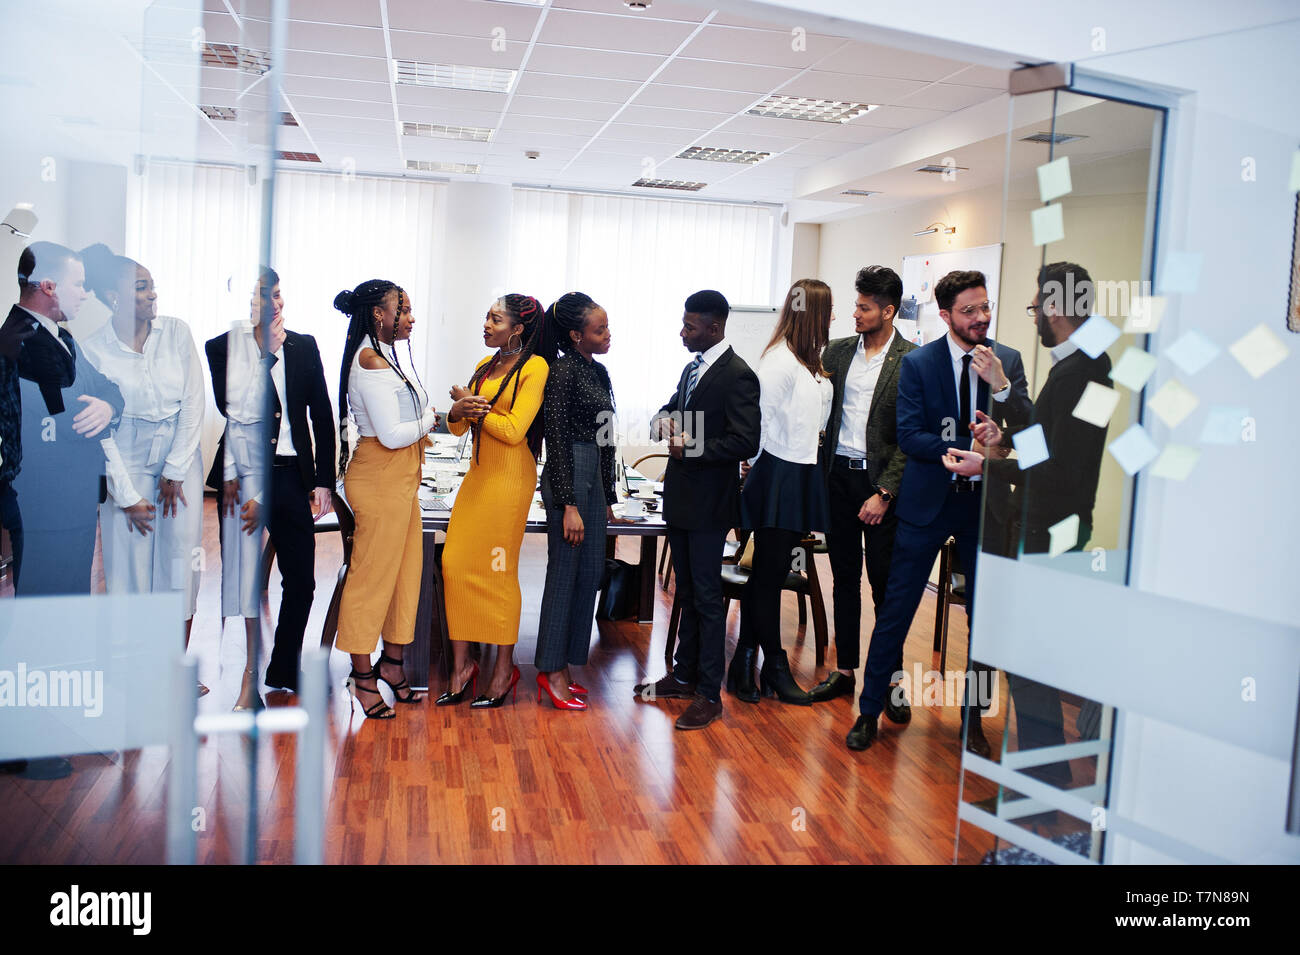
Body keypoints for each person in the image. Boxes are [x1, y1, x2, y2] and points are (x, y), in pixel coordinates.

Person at [845, 269, 1031, 755]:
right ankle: (868, 712)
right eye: (968, 310)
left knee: (983, 620)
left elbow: (1031, 432)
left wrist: (1004, 389)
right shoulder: (920, 363)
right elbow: (908, 435)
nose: (980, 318)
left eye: (985, 307)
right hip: (926, 504)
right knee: (897, 612)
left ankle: (974, 724)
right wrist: (965, 450)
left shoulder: (1006, 360)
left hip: (985, 510)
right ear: (945, 315)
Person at [944, 261, 1111, 783]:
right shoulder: (1085, 364)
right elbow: (1050, 440)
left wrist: (991, 461)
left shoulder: (1084, 370)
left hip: (1048, 532)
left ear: (1057, 308)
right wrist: (1006, 427)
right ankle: (1046, 773)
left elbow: (1059, 468)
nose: (1035, 316)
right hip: (1056, 526)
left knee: (1028, 656)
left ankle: (1045, 778)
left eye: (1037, 306)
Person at [206, 269, 336, 709]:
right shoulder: (221, 348)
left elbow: (321, 413)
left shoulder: (305, 346)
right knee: (242, 579)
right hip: (242, 476)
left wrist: (323, 480)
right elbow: (233, 406)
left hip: (290, 475)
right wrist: (264, 355)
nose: (274, 304)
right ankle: (244, 680)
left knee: (301, 581)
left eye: (278, 294)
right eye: (263, 296)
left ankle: (283, 666)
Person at [633, 290, 760, 731]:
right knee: (684, 591)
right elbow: (671, 409)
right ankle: (683, 675)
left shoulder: (738, 375)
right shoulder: (693, 368)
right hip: (681, 498)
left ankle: (709, 694)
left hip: (709, 504)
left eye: (690, 326)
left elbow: (746, 442)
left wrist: (693, 448)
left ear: (714, 327)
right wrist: (661, 420)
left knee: (707, 597)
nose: (682, 332)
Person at [80, 245, 205, 663]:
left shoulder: (176, 332)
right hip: (125, 458)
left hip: (180, 453)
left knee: (179, 568)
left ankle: (173, 669)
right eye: (141, 288)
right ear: (113, 297)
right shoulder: (93, 350)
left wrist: (174, 470)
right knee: (129, 571)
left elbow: (193, 402)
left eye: (152, 286)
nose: (153, 295)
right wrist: (127, 494)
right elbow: (100, 433)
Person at [810, 265, 917, 710]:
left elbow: (912, 436)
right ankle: (845, 671)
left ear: (888, 311)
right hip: (838, 479)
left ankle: (891, 683)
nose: (855, 313)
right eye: (856, 304)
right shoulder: (835, 354)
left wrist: (886, 493)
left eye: (865, 307)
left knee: (885, 588)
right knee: (844, 581)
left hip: (881, 489)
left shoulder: (911, 360)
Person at [725, 279, 833, 706]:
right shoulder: (780, 362)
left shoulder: (811, 362)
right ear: (813, 314)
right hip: (777, 474)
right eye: (829, 312)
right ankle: (775, 663)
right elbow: (759, 421)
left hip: (803, 472)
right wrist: (747, 469)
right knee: (768, 578)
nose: (834, 319)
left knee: (767, 577)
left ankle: (745, 660)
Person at [439, 294, 548, 709]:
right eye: (486, 316)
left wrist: (475, 407)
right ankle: (463, 666)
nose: (486, 324)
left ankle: (503, 670)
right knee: (455, 564)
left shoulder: (534, 368)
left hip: (510, 481)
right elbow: (458, 429)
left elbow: (516, 429)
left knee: (498, 570)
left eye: (495, 319)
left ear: (518, 328)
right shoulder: (485, 368)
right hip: (479, 478)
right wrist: (458, 408)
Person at [334, 280, 437, 719]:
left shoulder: (388, 355)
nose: (412, 318)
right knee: (371, 580)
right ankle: (361, 677)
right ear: (379, 313)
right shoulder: (370, 359)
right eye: (405, 309)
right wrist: (436, 418)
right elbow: (394, 434)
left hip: (402, 479)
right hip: (379, 476)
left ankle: (392, 665)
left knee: (406, 575)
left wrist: (425, 418)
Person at [11, 243, 124, 598]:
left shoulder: (61, 337)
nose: (86, 294)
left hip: (71, 502)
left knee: (69, 601)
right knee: (46, 605)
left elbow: (108, 388)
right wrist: (100, 407)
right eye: (79, 284)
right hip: (44, 507)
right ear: (48, 286)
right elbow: (63, 414)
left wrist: (107, 407)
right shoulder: (18, 341)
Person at [534, 292, 622, 711]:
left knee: (590, 575)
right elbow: (558, 439)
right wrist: (569, 503)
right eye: (599, 330)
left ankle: (568, 664)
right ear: (575, 334)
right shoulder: (562, 372)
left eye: (606, 328)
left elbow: (607, 435)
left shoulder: (599, 373)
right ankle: (550, 670)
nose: (608, 335)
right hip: (568, 475)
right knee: (564, 574)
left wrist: (607, 494)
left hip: (594, 480)